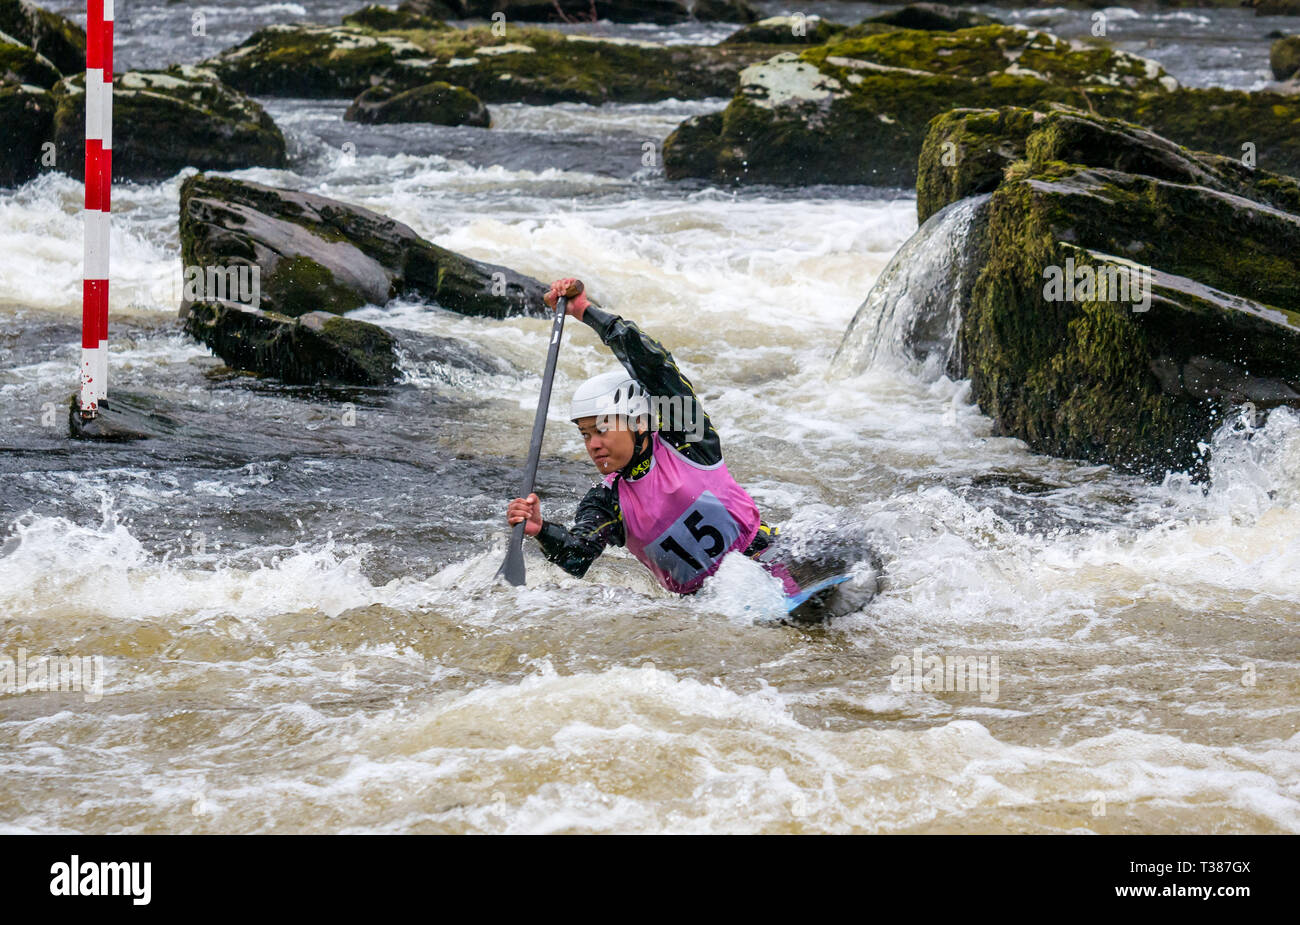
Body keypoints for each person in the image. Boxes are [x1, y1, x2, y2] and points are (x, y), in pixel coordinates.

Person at [505, 278, 878, 617]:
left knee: (846, 542)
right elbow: (578, 555)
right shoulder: (607, 502)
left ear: (638, 421)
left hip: (771, 559)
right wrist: (541, 530)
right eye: (585, 434)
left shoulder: (687, 441)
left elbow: (655, 367)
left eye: (602, 428)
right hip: (713, 604)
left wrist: (587, 312)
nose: (594, 444)